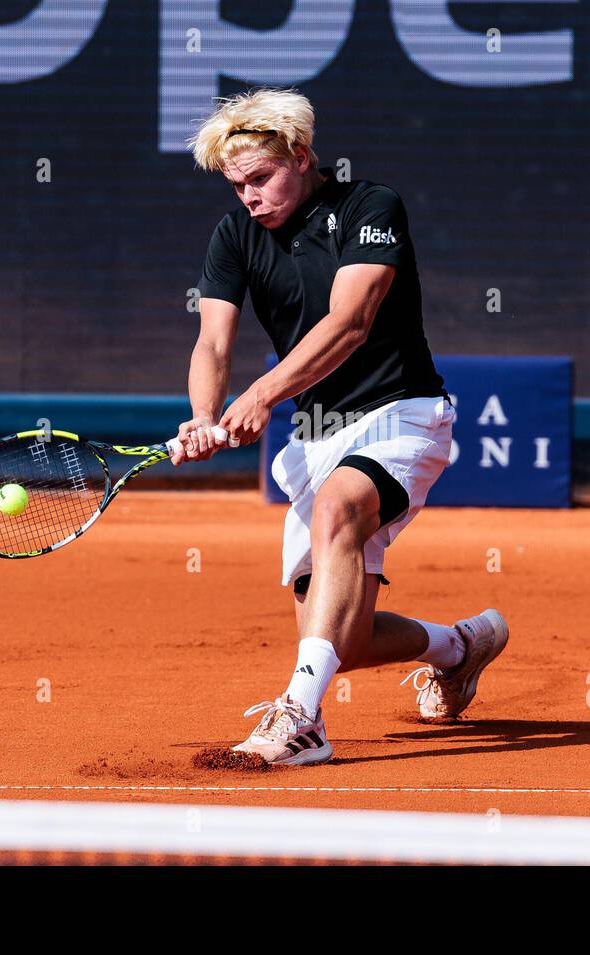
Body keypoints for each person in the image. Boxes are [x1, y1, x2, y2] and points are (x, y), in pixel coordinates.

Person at [175, 88, 507, 766]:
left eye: (261, 178)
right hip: (315, 437)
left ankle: (300, 718)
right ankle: (460, 646)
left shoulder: (370, 207)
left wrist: (262, 393)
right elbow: (212, 343)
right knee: (343, 643)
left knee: (339, 506)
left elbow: (350, 322)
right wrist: (204, 416)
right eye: (237, 185)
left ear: (301, 156)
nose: (249, 197)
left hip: (401, 416)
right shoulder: (234, 236)